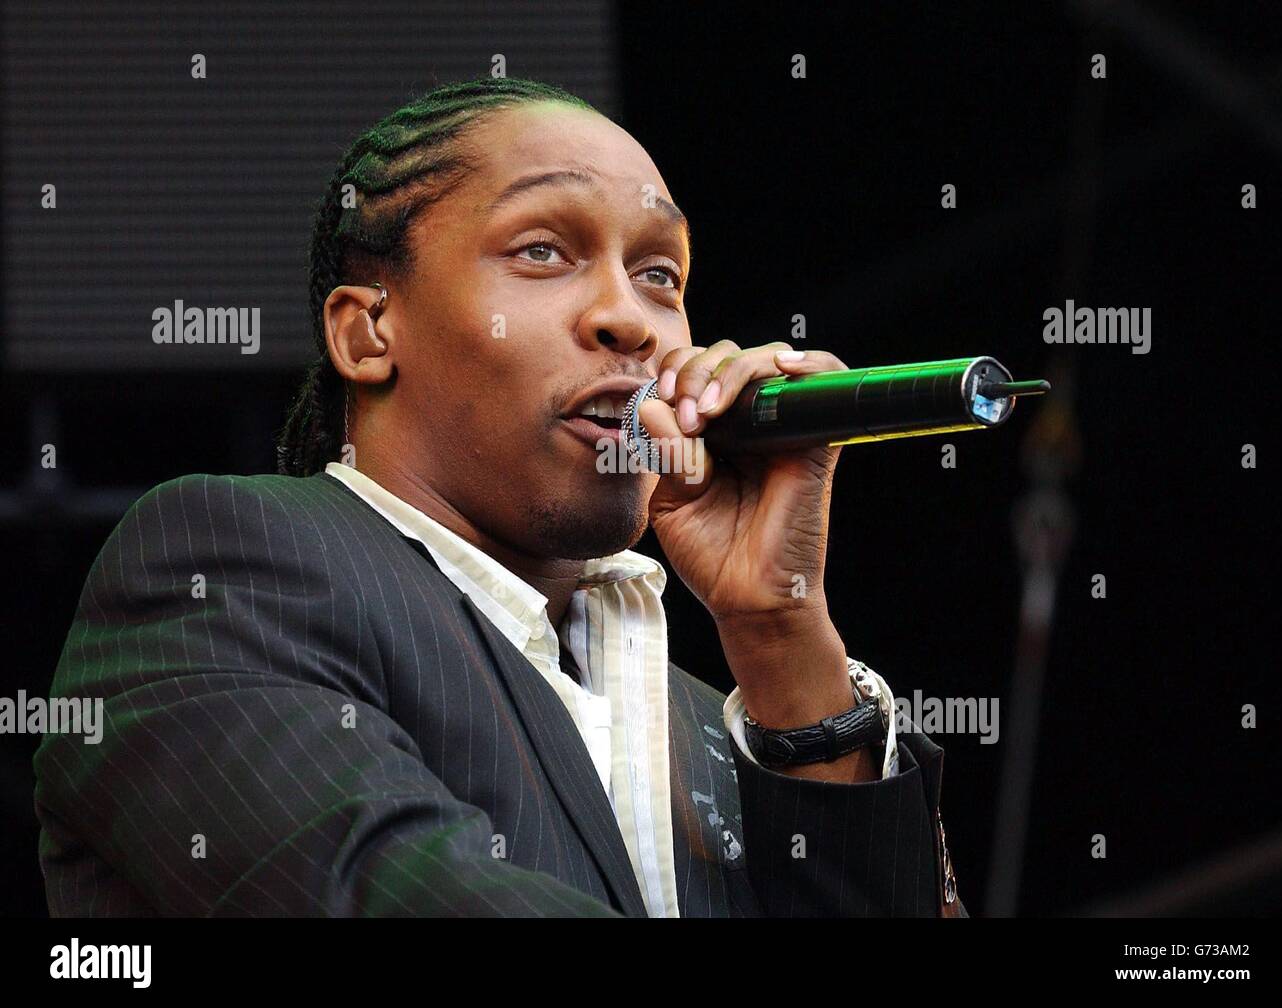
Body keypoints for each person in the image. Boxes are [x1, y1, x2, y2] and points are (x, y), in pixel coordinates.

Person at [34, 77, 965, 917]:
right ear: (367, 334)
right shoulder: (220, 568)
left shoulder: (719, 731)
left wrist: (779, 633)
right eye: (543, 251)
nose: (629, 319)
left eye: (659, 275)